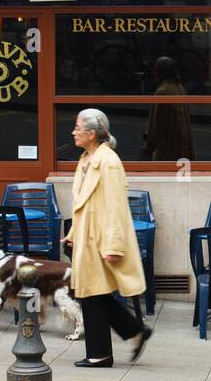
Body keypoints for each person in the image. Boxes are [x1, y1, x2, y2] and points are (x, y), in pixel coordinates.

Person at [62, 108, 153, 366]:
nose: (73, 132)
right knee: (92, 293)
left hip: (101, 240)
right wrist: (72, 233)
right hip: (88, 238)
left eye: (78, 128)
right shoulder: (86, 159)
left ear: (91, 133)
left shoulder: (108, 161)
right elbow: (82, 204)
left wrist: (113, 245)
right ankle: (133, 333)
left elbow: (116, 207)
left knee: (92, 294)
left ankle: (101, 354)